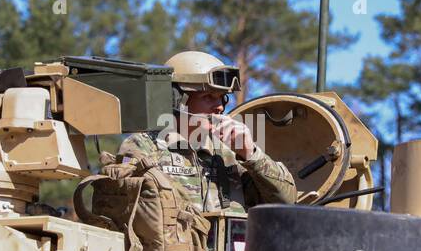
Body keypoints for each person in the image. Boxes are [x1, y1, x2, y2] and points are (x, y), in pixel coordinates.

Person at [117, 51, 296, 214]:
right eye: (208, 97)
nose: (219, 107)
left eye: (222, 98)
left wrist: (252, 155)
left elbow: (287, 203)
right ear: (176, 99)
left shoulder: (230, 153)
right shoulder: (144, 147)